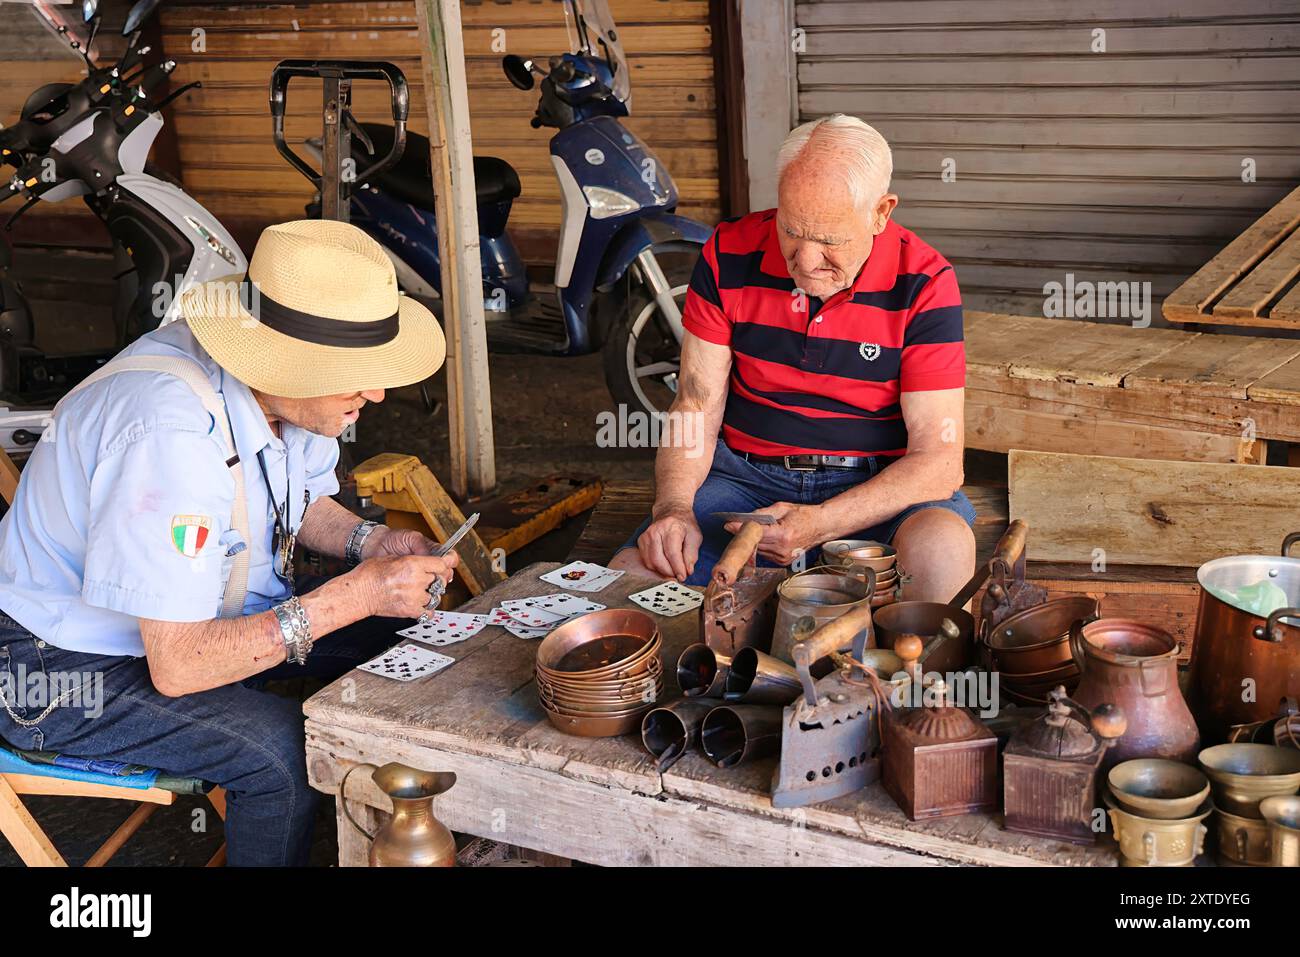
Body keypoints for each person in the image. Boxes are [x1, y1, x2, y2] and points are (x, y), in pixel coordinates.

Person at [0, 219, 456, 866]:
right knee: (280, 753)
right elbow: (181, 666)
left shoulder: (289, 399)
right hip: (61, 668)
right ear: (284, 360)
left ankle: (394, 826)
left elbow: (296, 499)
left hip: (204, 614)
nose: (378, 392)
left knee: (410, 633)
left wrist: (371, 543)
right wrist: (354, 595)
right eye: (355, 372)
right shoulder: (169, 435)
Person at [610, 114, 975, 600]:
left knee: (941, 549)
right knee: (634, 575)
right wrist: (673, 508)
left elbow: (939, 461)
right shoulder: (728, 253)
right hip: (745, 483)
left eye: (828, 240)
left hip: (874, 489)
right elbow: (695, 404)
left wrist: (822, 522)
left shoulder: (925, 282)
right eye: (790, 230)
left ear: (880, 213)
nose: (803, 261)